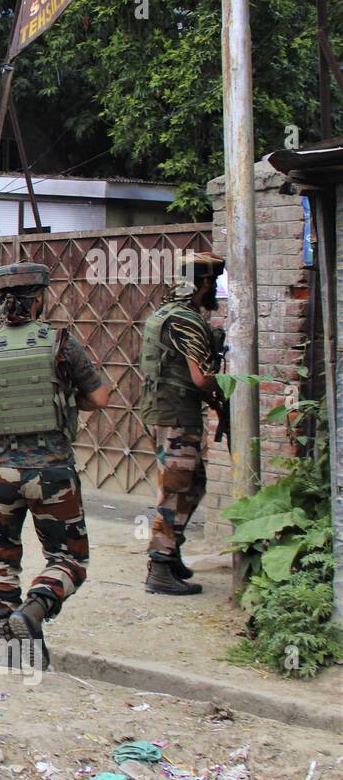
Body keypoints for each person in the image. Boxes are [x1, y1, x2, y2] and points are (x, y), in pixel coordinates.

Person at [0, 262, 110, 667]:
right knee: (70, 559)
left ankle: (11, 641)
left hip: (0, 474)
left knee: (2, 557)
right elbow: (100, 399)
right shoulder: (61, 342)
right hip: (52, 472)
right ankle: (36, 608)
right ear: (39, 298)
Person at [140, 252, 226, 595]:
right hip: (176, 414)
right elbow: (201, 378)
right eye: (213, 284)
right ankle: (160, 568)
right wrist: (224, 397)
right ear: (202, 283)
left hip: (166, 410)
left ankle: (170, 552)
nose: (214, 291)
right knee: (175, 491)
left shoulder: (165, 312)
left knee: (194, 484)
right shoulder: (186, 319)